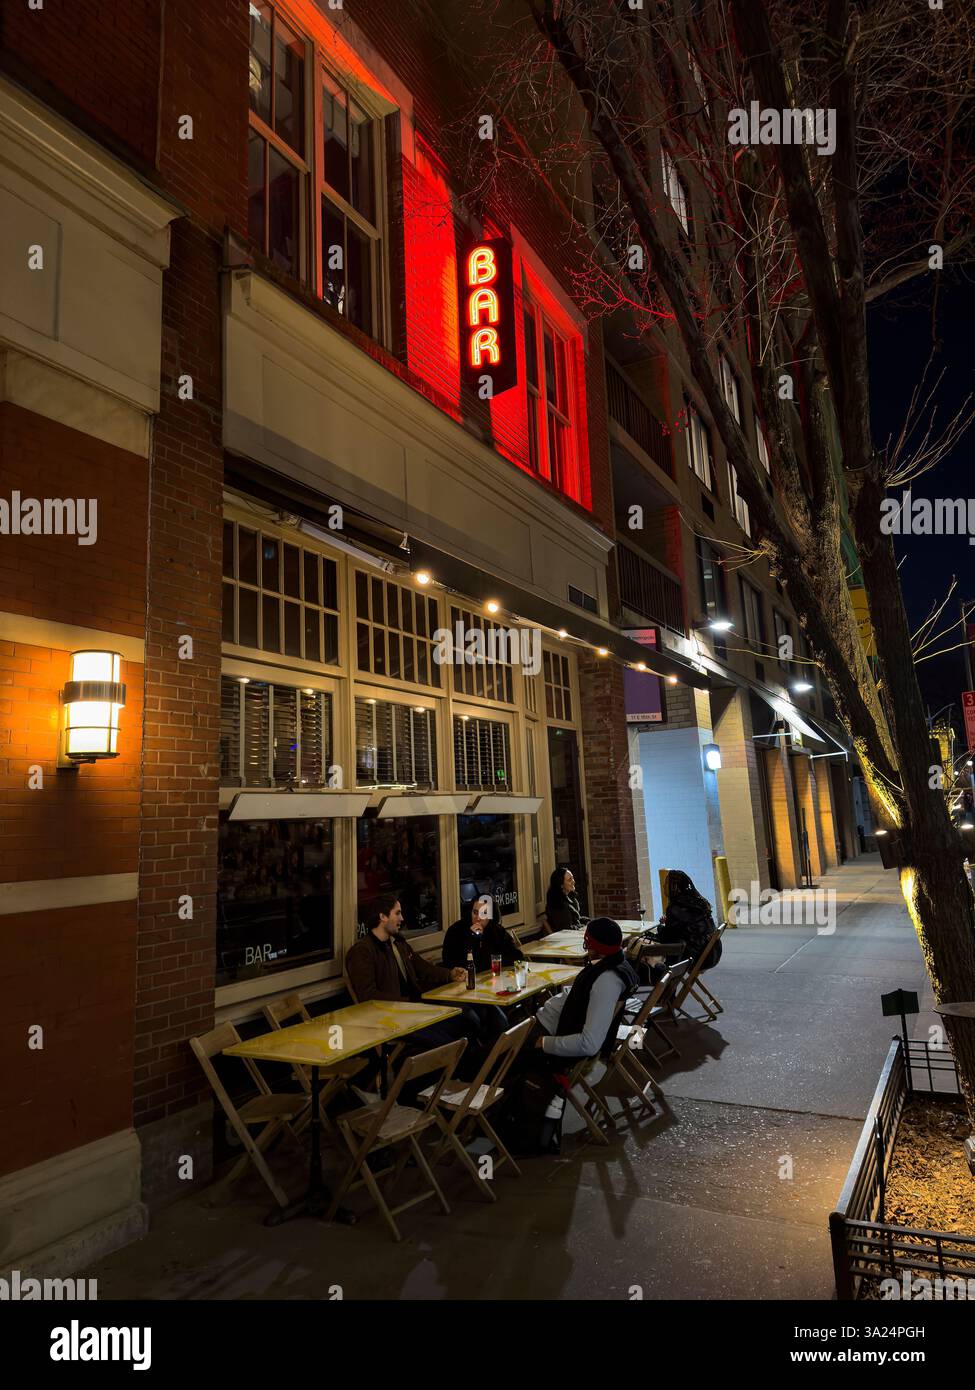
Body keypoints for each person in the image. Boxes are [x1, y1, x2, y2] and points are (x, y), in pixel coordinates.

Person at [498, 918, 639, 1154]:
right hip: (546, 1025)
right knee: (497, 1039)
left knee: (490, 1054)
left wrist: (545, 1042)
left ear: (595, 944)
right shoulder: (610, 965)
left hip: (548, 1039)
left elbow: (589, 1042)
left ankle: (490, 1120)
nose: (585, 945)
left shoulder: (606, 980)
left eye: (588, 940)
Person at [345, 894, 483, 1077]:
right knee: (447, 1041)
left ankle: (472, 1080)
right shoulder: (362, 951)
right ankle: (452, 1085)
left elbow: (421, 967)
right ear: (382, 917)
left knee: (468, 1018)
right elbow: (367, 996)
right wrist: (408, 1002)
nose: (402, 918)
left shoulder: (398, 942)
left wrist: (449, 974)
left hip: (416, 1008)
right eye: (398, 913)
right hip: (393, 1019)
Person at [442, 894, 524, 973]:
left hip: (491, 978)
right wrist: (474, 939)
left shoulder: (496, 930)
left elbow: (517, 956)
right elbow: (456, 965)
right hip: (464, 981)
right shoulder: (456, 931)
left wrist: (490, 952)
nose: (478, 918)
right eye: (475, 912)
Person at [654, 869, 720, 966]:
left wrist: (660, 928)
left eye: (666, 883)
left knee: (653, 951)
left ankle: (663, 978)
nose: (663, 886)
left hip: (696, 958)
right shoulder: (698, 902)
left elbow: (669, 937)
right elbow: (689, 925)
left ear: (675, 887)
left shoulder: (675, 907)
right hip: (713, 951)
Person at [544, 865, 589, 932]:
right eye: (569, 880)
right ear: (561, 885)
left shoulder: (570, 898)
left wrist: (591, 923)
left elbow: (577, 919)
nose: (573, 881)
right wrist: (585, 928)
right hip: (567, 939)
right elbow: (567, 929)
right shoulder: (557, 904)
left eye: (572, 878)